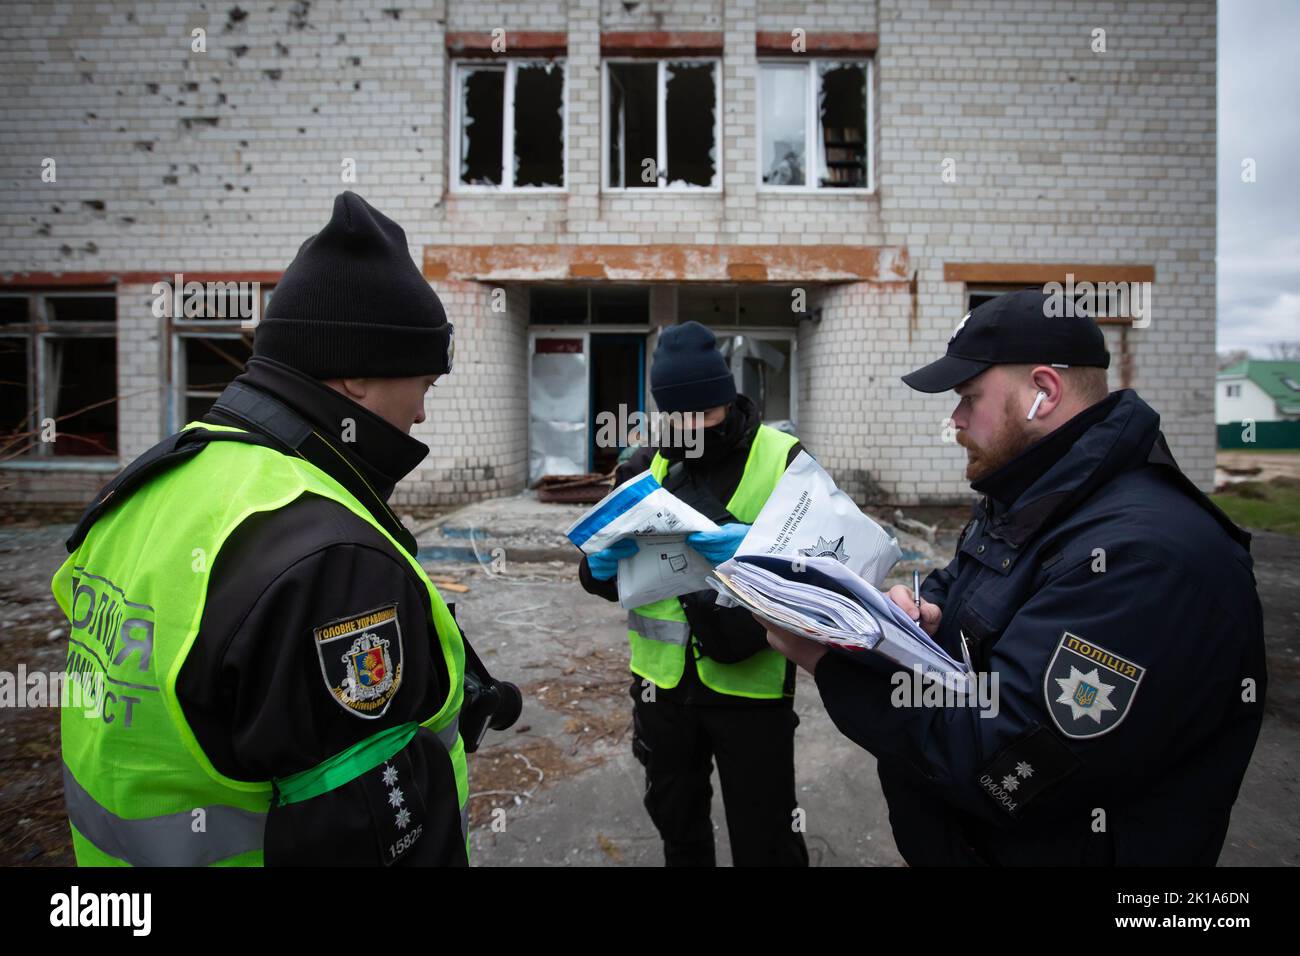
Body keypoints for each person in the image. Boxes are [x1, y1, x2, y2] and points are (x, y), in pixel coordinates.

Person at [52, 192, 483, 866]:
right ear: (356, 372)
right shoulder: (332, 560)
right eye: (423, 384)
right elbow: (366, 843)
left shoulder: (155, 481)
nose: (422, 414)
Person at [763, 288, 1266, 865]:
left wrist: (829, 664)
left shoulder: (1145, 560)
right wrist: (915, 616)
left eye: (968, 397)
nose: (955, 420)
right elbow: (961, 599)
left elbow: (1003, 767)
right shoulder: (1029, 497)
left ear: (1043, 392)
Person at [578, 321, 809, 866]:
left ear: (728, 398)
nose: (695, 428)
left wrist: (757, 550)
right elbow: (599, 575)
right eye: (681, 416)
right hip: (661, 690)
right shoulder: (643, 468)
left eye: (706, 412)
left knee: (767, 838)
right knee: (679, 829)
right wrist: (597, 568)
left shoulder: (783, 458)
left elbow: (829, 565)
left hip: (751, 690)